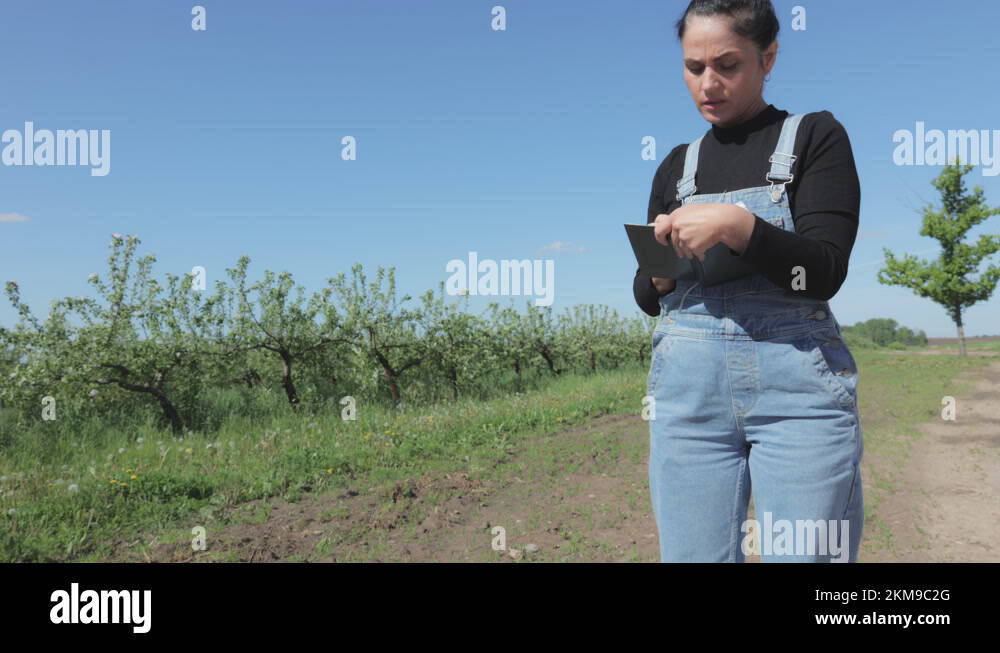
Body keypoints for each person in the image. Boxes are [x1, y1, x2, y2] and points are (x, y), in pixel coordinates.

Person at [639, 0, 864, 562]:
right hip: (687, 399)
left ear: (768, 58)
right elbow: (648, 296)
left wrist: (741, 228)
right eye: (694, 67)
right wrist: (661, 268)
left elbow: (823, 271)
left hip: (799, 394)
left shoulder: (815, 136)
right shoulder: (675, 166)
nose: (708, 83)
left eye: (728, 64)